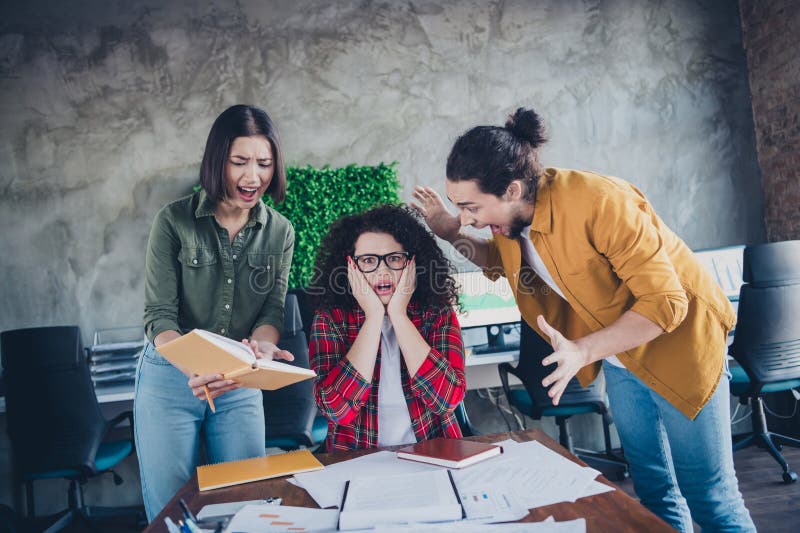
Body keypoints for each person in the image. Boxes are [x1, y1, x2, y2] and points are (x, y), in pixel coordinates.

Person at [411, 108, 755, 532]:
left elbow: (666, 302)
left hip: (682, 347)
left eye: (469, 206)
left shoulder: (600, 201)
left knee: (710, 496)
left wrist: (583, 349)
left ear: (512, 189)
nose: (467, 217)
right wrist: (450, 231)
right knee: (654, 489)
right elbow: (495, 263)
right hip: (622, 357)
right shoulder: (515, 224)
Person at [136, 104, 295, 521]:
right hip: (171, 376)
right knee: (172, 513)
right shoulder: (173, 222)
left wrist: (261, 350)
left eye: (263, 163)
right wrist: (194, 368)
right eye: (239, 162)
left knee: (243, 504)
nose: (252, 177)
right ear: (216, 160)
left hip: (238, 380)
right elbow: (159, 317)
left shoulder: (280, 231)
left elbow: (272, 309)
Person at [308, 204, 466, 451]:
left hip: (432, 452)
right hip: (357, 459)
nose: (383, 271)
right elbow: (336, 410)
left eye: (394, 259)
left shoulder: (436, 311)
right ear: (351, 267)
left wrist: (398, 315)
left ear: (412, 263)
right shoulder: (330, 318)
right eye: (369, 261)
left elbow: (446, 400)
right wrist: (373, 317)